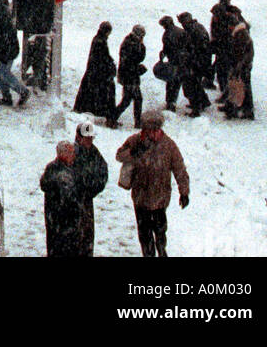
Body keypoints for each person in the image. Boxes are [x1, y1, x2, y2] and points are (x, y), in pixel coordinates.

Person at [116, 108, 190, 258]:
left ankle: (162, 251)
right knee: (144, 233)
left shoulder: (169, 146)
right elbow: (119, 155)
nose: (150, 134)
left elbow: (179, 169)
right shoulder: (135, 141)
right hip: (140, 197)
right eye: (148, 131)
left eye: (154, 131)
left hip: (160, 198)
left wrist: (184, 192)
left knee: (160, 231)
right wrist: (132, 152)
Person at [40, 142, 83, 257]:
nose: (73, 155)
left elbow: (44, 185)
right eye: (71, 153)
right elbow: (70, 200)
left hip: (55, 221)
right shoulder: (62, 174)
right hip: (64, 222)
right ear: (63, 154)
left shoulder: (52, 168)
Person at [73, 119, 109, 255]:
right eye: (87, 138)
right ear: (78, 137)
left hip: (86, 201)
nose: (89, 141)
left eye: (91, 138)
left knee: (87, 237)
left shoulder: (94, 152)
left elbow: (103, 172)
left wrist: (92, 189)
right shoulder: (71, 152)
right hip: (73, 202)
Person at [74, 22, 118, 126]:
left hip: (93, 72)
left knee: (89, 93)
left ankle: (85, 109)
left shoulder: (98, 39)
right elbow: (102, 58)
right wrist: (110, 66)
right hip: (98, 73)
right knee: (102, 94)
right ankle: (107, 116)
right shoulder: (100, 41)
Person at [210, 0, 244, 101]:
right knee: (225, 71)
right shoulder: (231, 11)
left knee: (224, 71)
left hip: (226, 46)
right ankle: (227, 94)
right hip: (227, 46)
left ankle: (228, 95)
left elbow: (218, 30)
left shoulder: (225, 11)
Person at [177, 10, 213, 115]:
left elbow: (201, 48)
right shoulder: (195, 27)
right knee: (195, 82)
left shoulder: (196, 30)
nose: (182, 25)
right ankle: (204, 101)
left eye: (183, 23)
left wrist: (193, 61)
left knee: (191, 84)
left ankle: (196, 108)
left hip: (199, 62)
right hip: (199, 61)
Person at [114, 25, 147, 128]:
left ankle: (112, 117)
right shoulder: (130, 44)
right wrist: (138, 69)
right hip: (129, 77)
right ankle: (137, 122)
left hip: (129, 76)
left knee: (127, 99)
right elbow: (132, 61)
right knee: (137, 99)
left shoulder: (130, 42)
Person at [223, 20, 255, 120]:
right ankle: (242, 109)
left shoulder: (241, 35)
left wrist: (238, 66)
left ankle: (244, 110)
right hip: (241, 65)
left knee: (242, 88)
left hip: (242, 66)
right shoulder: (240, 33)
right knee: (241, 87)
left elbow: (244, 54)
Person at [157, 15, 188, 111]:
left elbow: (166, 49)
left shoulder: (167, 34)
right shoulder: (181, 31)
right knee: (179, 82)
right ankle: (173, 101)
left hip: (174, 62)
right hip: (184, 61)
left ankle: (170, 103)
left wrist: (162, 56)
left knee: (171, 83)